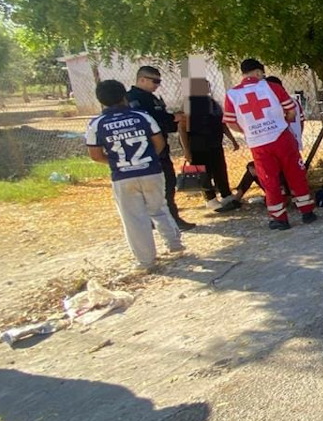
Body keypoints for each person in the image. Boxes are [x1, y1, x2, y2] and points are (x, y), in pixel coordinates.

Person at [85, 79, 184, 269]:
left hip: (123, 175)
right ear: (124, 96)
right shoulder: (142, 116)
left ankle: (146, 260)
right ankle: (175, 244)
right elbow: (159, 142)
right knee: (160, 207)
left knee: (134, 218)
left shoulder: (96, 124)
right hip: (151, 170)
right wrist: (148, 159)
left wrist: (118, 162)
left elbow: (95, 155)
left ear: (101, 101)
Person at [223, 59, 319, 230]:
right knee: (295, 173)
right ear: (259, 72)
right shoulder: (271, 87)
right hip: (281, 137)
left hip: (258, 144)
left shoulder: (232, 94)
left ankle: (280, 219)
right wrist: (282, 122)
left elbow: (230, 122)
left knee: (269, 180)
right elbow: (290, 111)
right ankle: (307, 212)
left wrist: (249, 131)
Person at [126, 66, 195, 230]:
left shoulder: (151, 98)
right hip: (145, 149)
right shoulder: (131, 99)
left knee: (168, 183)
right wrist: (171, 117)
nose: (157, 85)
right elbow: (149, 121)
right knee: (156, 185)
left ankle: (169, 217)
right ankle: (160, 220)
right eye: (154, 81)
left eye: (159, 81)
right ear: (142, 79)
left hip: (160, 148)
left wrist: (174, 119)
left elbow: (164, 122)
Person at [181, 78, 240, 210]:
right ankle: (210, 199)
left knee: (220, 169)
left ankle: (226, 195)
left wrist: (233, 140)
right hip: (198, 145)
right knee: (203, 172)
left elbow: (222, 123)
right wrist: (186, 150)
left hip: (214, 143)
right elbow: (182, 128)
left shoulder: (213, 103)